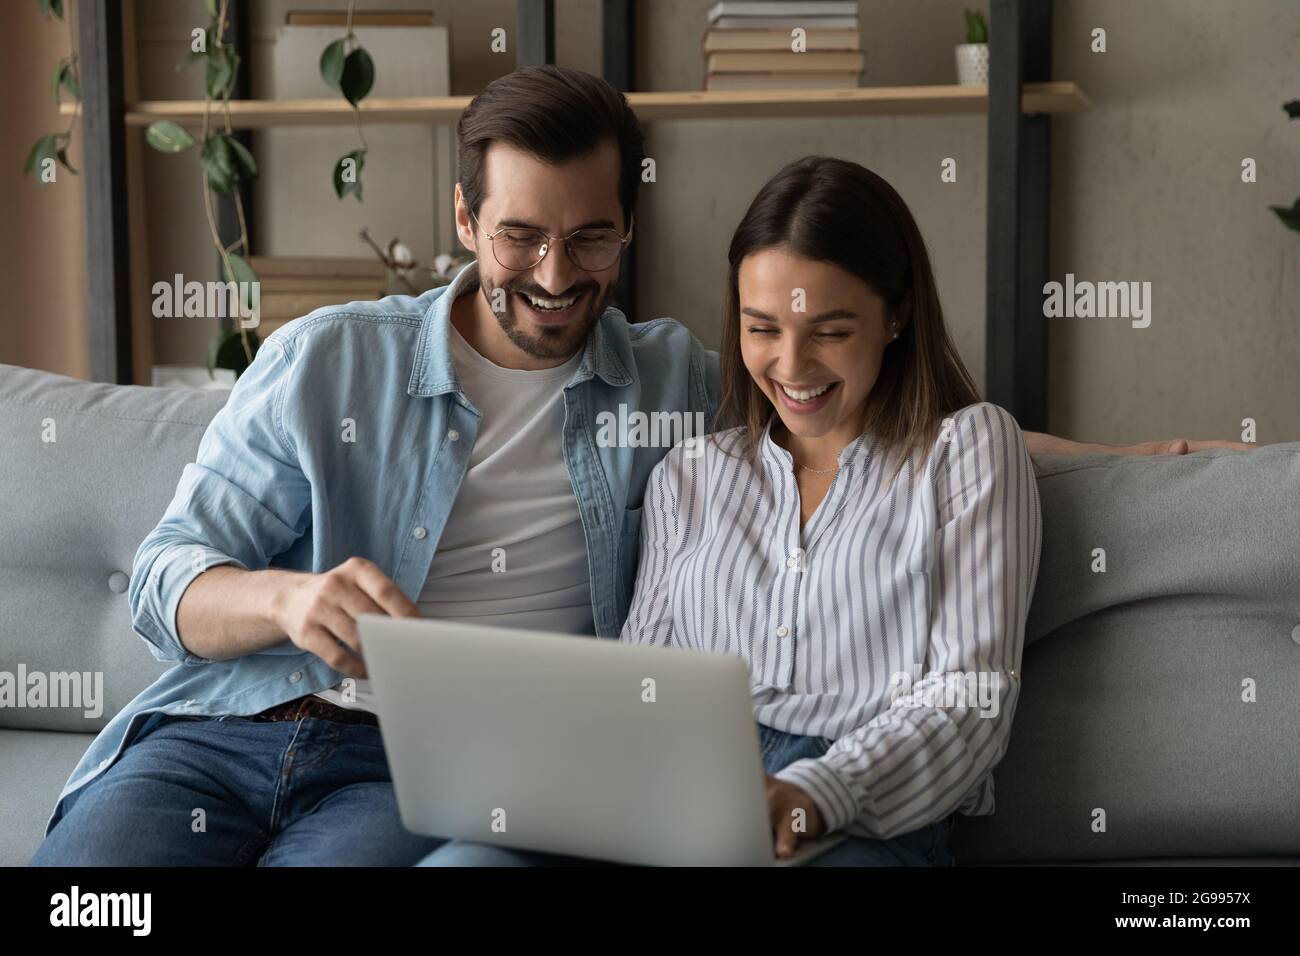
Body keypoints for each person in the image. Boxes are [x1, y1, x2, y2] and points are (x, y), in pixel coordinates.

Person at [31, 66, 1247, 867]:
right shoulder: (324, 362)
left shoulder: (665, 384)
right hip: (222, 723)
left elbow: (859, 399)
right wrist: (286, 597)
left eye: (591, 237)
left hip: (404, 765)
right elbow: (163, 580)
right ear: (464, 219)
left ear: (629, 226)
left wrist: (1126, 460)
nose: (556, 275)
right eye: (519, 235)